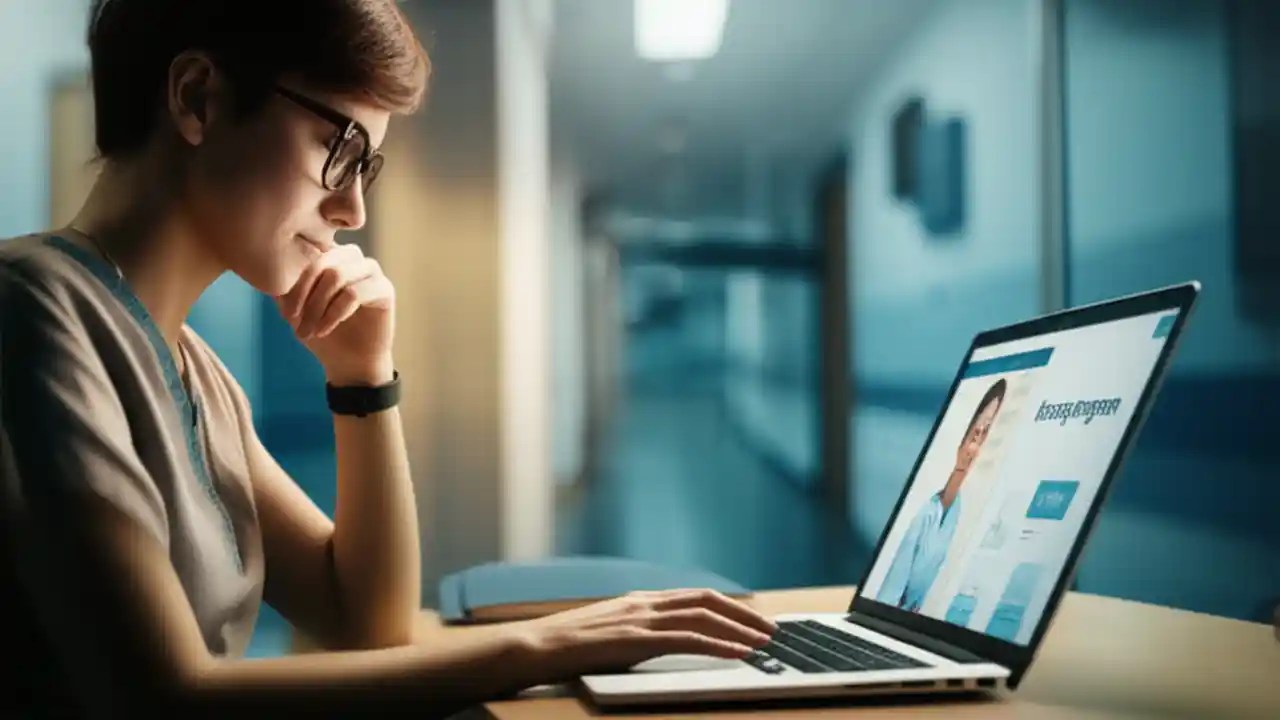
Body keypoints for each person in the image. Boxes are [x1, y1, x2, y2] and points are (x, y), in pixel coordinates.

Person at [0, 1, 776, 717]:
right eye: (341, 149)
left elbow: (364, 620)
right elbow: (168, 696)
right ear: (198, 99)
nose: (353, 210)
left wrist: (363, 379)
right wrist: (549, 642)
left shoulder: (191, 365)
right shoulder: (30, 308)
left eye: (366, 168)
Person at [875, 378, 1008, 613]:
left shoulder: (964, 514)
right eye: (976, 428)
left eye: (985, 431)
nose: (977, 436)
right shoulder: (927, 512)